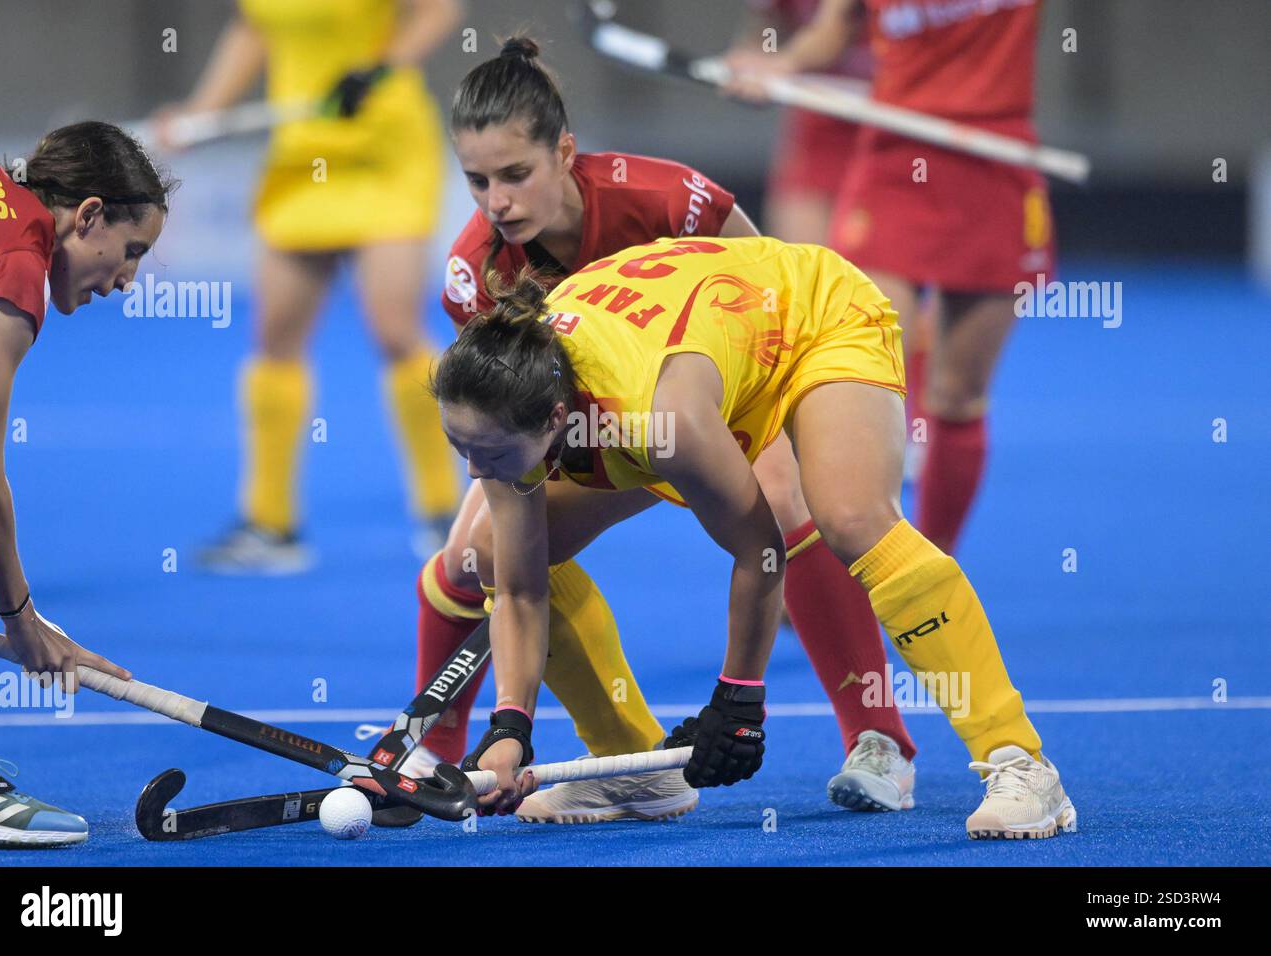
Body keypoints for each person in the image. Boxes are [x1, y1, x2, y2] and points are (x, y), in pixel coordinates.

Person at [402, 38, 918, 823]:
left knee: (786, 508)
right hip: (597, 430)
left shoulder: (669, 199)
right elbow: (509, 432)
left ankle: (878, 738)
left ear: (564, 152)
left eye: (515, 175)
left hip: (719, 405)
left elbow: (771, 289)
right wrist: (516, 722)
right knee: (476, 556)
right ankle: (459, 757)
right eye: (476, 182)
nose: (496, 202)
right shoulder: (479, 273)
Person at [434, 235, 1077, 840]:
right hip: (693, 352)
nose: (473, 468)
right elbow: (517, 589)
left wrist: (737, 699)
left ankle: (1019, 760)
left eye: (485, 452)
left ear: (553, 420)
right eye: (459, 446)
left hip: (813, 317)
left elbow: (759, 548)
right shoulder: (504, 402)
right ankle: (634, 770)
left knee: (851, 518)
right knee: (493, 548)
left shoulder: (665, 420)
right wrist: (510, 725)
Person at [725, 0, 1057, 553]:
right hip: (896, 164)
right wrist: (781, 66)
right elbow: (833, 29)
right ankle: (825, 558)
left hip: (994, 167)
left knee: (956, 396)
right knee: (847, 369)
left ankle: (932, 568)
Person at [158, 0, 465, 571]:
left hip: (379, 149)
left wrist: (378, 67)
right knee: (275, 338)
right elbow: (252, 29)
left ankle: (445, 511)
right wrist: (203, 114)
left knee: (396, 330)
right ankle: (271, 523)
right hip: (302, 155)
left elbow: (438, 11)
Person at [0, 122, 172, 846]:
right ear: (87, 215)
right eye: (131, 252)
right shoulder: (18, 259)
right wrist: (23, 618)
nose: (127, 282)